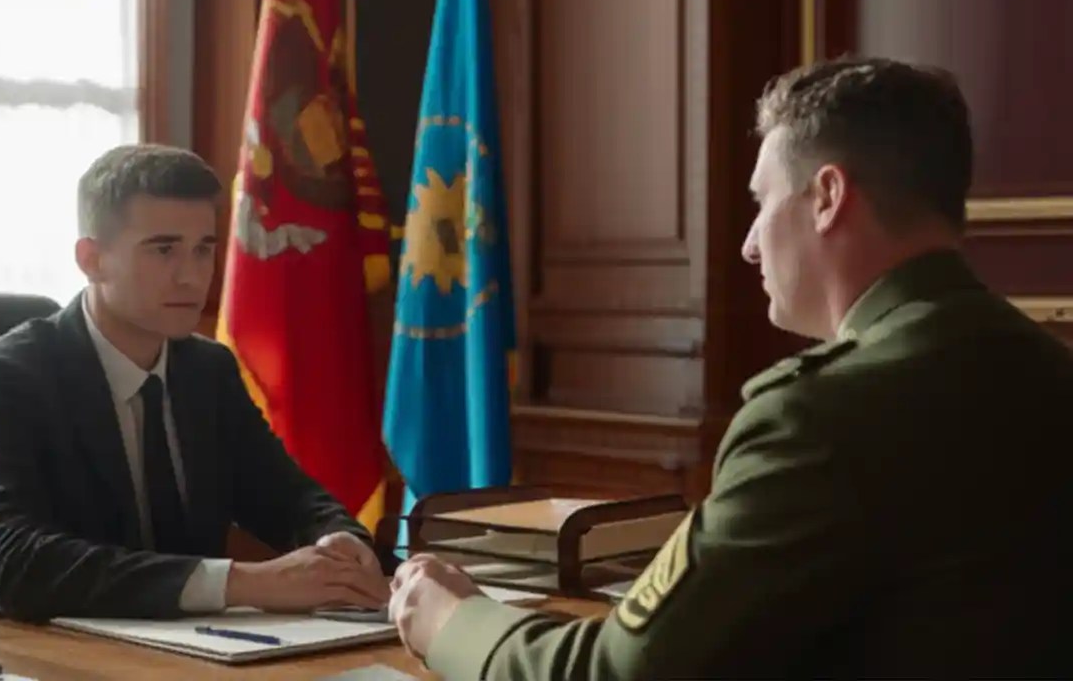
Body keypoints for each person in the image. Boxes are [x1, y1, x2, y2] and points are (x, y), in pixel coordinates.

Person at [387, 57, 1073, 678]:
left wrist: (452, 621)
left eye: (761, 201)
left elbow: (614, 678)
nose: (749, 245)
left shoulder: (815, 419)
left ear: (828, 196)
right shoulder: (1048, 369)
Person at [0, 144, 390, 624]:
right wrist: (246, 582)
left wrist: (340, 544)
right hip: (24, 652)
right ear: (91, 259)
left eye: (203, 249)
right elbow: (14, 562)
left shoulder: (207, 370)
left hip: (183, 649)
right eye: (164, 250)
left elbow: (288, 496)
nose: (191, 276)